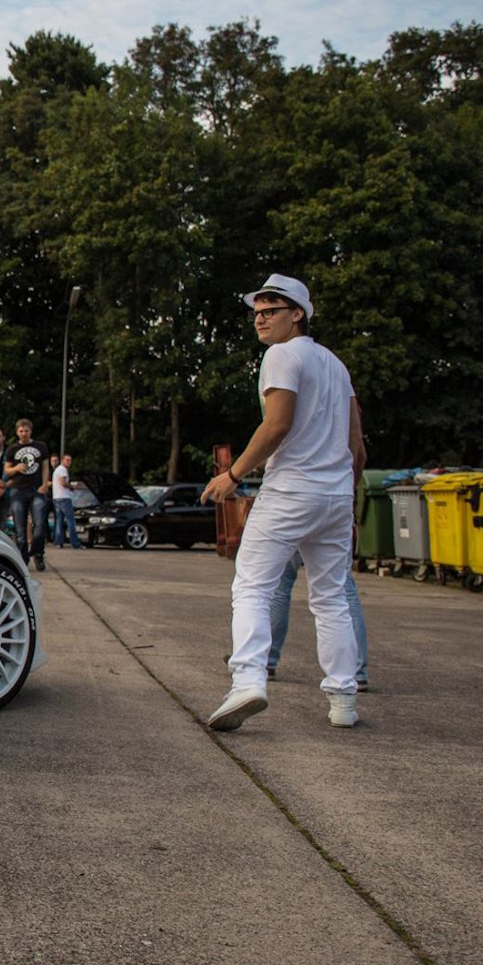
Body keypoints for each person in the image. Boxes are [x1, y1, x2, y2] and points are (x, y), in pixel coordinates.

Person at [200, 273, 365, 731]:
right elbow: (356, 443)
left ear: (299, 315)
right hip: (334, 495)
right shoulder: (336, 365)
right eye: (256, 312)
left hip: (292, 490)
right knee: (331, 599)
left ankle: (248, 680)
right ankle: (343, 701)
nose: (260, 319)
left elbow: (277, 425)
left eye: (271, 310)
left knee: (251, 585)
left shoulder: (281, 355)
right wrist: (346, 496)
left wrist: (232, 475)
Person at [267, 553, 370, 690]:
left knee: (281, 587)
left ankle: (267, 661)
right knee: (343, 590)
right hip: (331, 532)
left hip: (289, 532)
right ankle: (355, 672)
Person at [5, 418, 52, 571]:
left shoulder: (40, 446)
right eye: (21, 431)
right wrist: (17, 468)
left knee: (39, 525)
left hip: (36, 490)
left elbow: (45, 466)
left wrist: (45, 484)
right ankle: (22, 558)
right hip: (18, 490)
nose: (23, 434)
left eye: (26, 431)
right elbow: (7, 470)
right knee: (20, 529)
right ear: (17, 432)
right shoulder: (12, 449)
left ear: (30, 431)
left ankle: (38, 554)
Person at [51, 454, 82, 548]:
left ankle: (58, 542)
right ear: (62, 460)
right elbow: (63, 482)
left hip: (56, 497)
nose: (69, 462)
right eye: (67, 460)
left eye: (70, 460)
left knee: (59, 521)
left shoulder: (57, 470)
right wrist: (71, 487)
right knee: (70, 520)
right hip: (64, 497)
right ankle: (75, 543)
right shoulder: (62, 470)